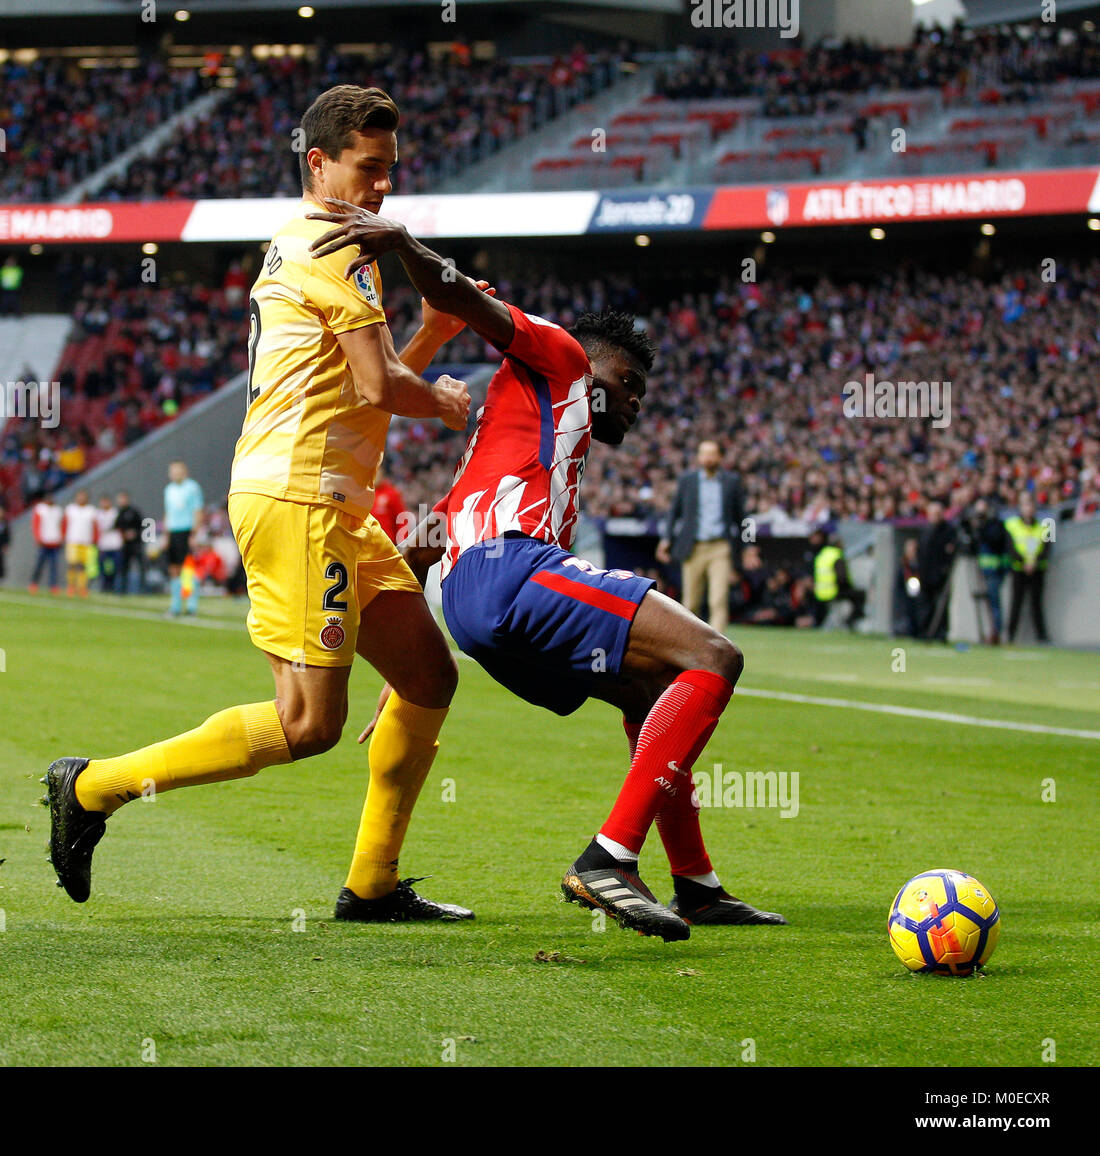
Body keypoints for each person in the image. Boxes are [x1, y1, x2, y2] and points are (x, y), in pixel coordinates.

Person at [41, 85, 474, 923]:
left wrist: (431, 337)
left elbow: (362, 391)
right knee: (309, 723)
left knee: (426, 675)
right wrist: (450, 399)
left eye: (392, 170)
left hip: (333, 501)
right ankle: (92, 788)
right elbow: (385, 386)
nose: (384, 187)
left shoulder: (302, 241)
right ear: (321, 163)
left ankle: (373, 884)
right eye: (370, 168)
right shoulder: (338, 247)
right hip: (299, 496)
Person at [309, 201, 784, 938]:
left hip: (475, 605)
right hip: (508, 573)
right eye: (629, 384)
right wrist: (404, 242)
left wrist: (400, 659)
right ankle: (609, 859)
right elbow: (462, 296)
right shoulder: (560, 354)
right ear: (597, 365)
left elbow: (427, 544)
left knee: (652, 689)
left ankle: (696, 883)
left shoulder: (514, 446)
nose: (633, 403)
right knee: (714, 656)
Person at [657, 441, 746, 634]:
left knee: (718, 600)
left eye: (712, 454)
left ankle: (717, 650)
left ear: (720, 457)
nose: (708, 458)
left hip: (720, 547)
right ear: (698, 457)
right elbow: (674, 512)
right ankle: (691, 647)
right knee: (691, 602)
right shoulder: (687, 480)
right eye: (704, 453)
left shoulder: (732, 481)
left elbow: (744, 517)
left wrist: (750, 545)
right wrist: (666, 540)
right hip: (693, 547)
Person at [1005, 492, 1051, 643]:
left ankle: (1042, 637)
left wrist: (1034, 562)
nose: (1028, 509)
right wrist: (1024, 562)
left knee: (1036, 603)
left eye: (1031, 505)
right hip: (1019, 569)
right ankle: (1010, 636)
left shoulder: (1046, 525)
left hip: (1038, 569)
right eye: (1025, 505)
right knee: (1016, 603)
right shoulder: (1011, 524)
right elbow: (1010, 547)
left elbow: (1048, 549)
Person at [966, 497, 1010, 644]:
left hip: (995, 569)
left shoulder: (996, 525)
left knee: (994, 603)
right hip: (983, 569)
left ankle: (996, 633)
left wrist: (981, 528)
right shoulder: (981, 527)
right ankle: (989, 632)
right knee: (987, 603)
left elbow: (995, 541)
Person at [162, 462, 203, 616]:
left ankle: (191, 606)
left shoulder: (192, 487)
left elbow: (197, 510)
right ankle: (175, 606)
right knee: (174, 569)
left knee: (189, 569)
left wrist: (194, 534)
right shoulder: (169, 489)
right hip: (173, 531)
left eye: (178, 471)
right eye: (172, 471)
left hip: (187, 530)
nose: (175, 474)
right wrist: (166, 535)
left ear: (185, 471)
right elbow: (167, 512)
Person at [916, 500, 957, 640]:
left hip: (940, 574)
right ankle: (924, 632)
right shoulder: (925, 530)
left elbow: (950, 552)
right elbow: (920, 552)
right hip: (924, 574)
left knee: (941, 606)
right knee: (924, 606)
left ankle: (940, 633)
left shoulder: (948, 531)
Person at [809, 528, 865, 629]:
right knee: (860, 595)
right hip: (833, 591)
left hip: (819, 592)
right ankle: (852, 620)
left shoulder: (822, 555)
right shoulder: (836, 556)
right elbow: (841, 578)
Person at [63, 489, 97, 598]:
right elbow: (64, 524)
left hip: (86, 541)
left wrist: (95, 539)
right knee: (72, 564)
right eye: (79, 496)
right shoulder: (70, 509)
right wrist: (63, 537)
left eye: (83, 496)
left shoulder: (91, 510)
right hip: (73, 541)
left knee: (83, 566)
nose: (81, 498)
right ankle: (71, 586)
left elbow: (95, 526)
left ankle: (82, 587)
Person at [29, 491, 64, 593]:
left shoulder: (58, 510)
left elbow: (61, 525)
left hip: (55, 542)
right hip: (43, 542)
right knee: (39, 565)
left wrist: (61, 538)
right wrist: (38, 538)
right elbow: (35, 524)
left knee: (54, 566)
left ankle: (53, 586)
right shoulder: (40, 509)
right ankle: (34, 583)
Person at [114, 491, 144, 594]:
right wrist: (122, 535)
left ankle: (142, 590)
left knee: (141, 566)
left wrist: (135, 533)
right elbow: (115, 527)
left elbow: (143, 525)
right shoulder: (118, 513)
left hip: (135, 544)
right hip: (124, 545)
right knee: (123, 568)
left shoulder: (134, 512)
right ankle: (122, 590)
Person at [96, 495, 123, 593]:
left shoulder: (115, 513)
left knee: (116, 567)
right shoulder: (98, 513)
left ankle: (114, 587)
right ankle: (105, 586)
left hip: (115, 543)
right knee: (103, 567)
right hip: (103, 544)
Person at [0, 255, 23, 319]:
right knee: (4, 301)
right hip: (5, 289)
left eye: (11, 262)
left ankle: (18, 314)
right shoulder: (3, 269)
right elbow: (1, 277)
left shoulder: (17, 269)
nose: (10, 263)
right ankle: (3, 314)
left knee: (15, 301)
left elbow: (19, 277)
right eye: (9, 262)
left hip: (15, 288)